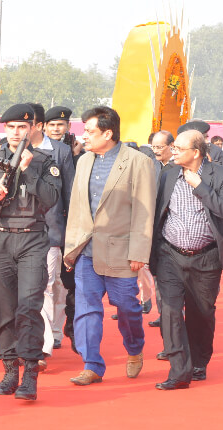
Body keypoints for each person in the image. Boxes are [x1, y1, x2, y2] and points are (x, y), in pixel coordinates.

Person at [0, 103, 61, 400]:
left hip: (32, 238)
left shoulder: (45, 162)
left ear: (33, 129)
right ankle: (10, 368)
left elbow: (50, 199)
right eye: (11, 127)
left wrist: (28, 171)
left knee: (29, 306)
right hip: (0, 239)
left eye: (22, 127)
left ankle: (30, 372)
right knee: (2, 308)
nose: (16, 132)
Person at [63, 106, 155, 386]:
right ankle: (91, 365)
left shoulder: (138, 162)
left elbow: (144, 211)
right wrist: (71, 248)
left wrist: (139, 252)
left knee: (127, 306)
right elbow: (77, 208)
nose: (84, 136)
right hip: (86, 251)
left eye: (90, 131)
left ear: (108, 133)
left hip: (121, 252)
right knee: (86, 309)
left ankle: (134, 348)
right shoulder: (83, 161)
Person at [150, 130, 223, 389]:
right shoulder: (168, 174)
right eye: (173, 147)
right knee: (170, 311)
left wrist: (199, 186)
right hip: (170, 254)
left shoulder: (221, 175)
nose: (173, 151)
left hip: (206, 257)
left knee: (202, 313)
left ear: (196, 152)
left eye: (178, 148)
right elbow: (158, 212)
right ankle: (179, 371)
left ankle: (199, 362)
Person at [26, 103, 76, 368]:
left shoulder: (62, 151)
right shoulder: (12, 148)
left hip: (51, 229)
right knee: (32, 286)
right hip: (20, 229)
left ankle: (48, 340)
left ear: (38, 125)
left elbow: (69, 193)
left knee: (50, 285)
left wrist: (71, 232)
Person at [147, 130, 176, 332]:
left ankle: (172, 314)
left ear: (171, 147)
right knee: (157, 273)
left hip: (171, 231)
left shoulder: (177, 169)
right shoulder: (153, 166)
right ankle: (163, 313)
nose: (156, 151)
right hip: (154, 230)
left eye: (160, 147)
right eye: (154, 147)